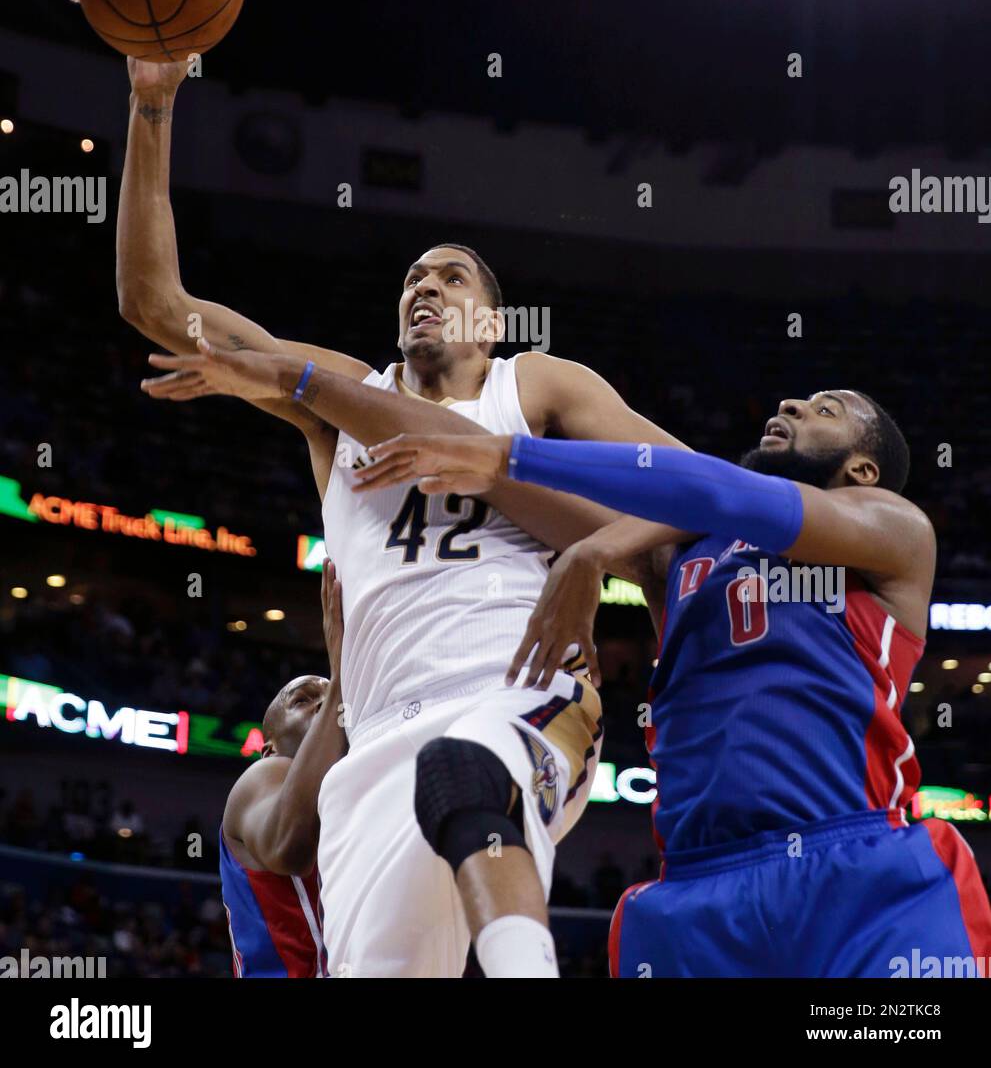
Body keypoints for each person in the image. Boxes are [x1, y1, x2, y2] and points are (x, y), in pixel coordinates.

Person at [118, 57, 683, 978]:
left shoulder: (532, 384)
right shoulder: (342, 398)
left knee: (467, 766)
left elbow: (689, 490)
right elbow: (153, 304)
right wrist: (153, 100)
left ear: (492, 324)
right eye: (414, 277)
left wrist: (598, 554)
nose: (425, 287)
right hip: (373, 740)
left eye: (452, 279)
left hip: (515, 690)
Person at [351, 391, 991, 977]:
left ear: (862, 470)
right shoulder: (681, 556)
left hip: (862, 874)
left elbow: (718, 489)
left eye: (826, 411)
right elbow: (505, 478)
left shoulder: (894, 528)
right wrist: (315, 388)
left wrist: (534, 477)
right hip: (693, 895)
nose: (792, 403)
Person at [220, 562, 345, 978]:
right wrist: (342, 674)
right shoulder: (263, 776)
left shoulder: (357, 791)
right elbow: (289, 849)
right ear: (268, 746)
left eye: (327, 695)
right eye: (305, 699)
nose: (322, 701)